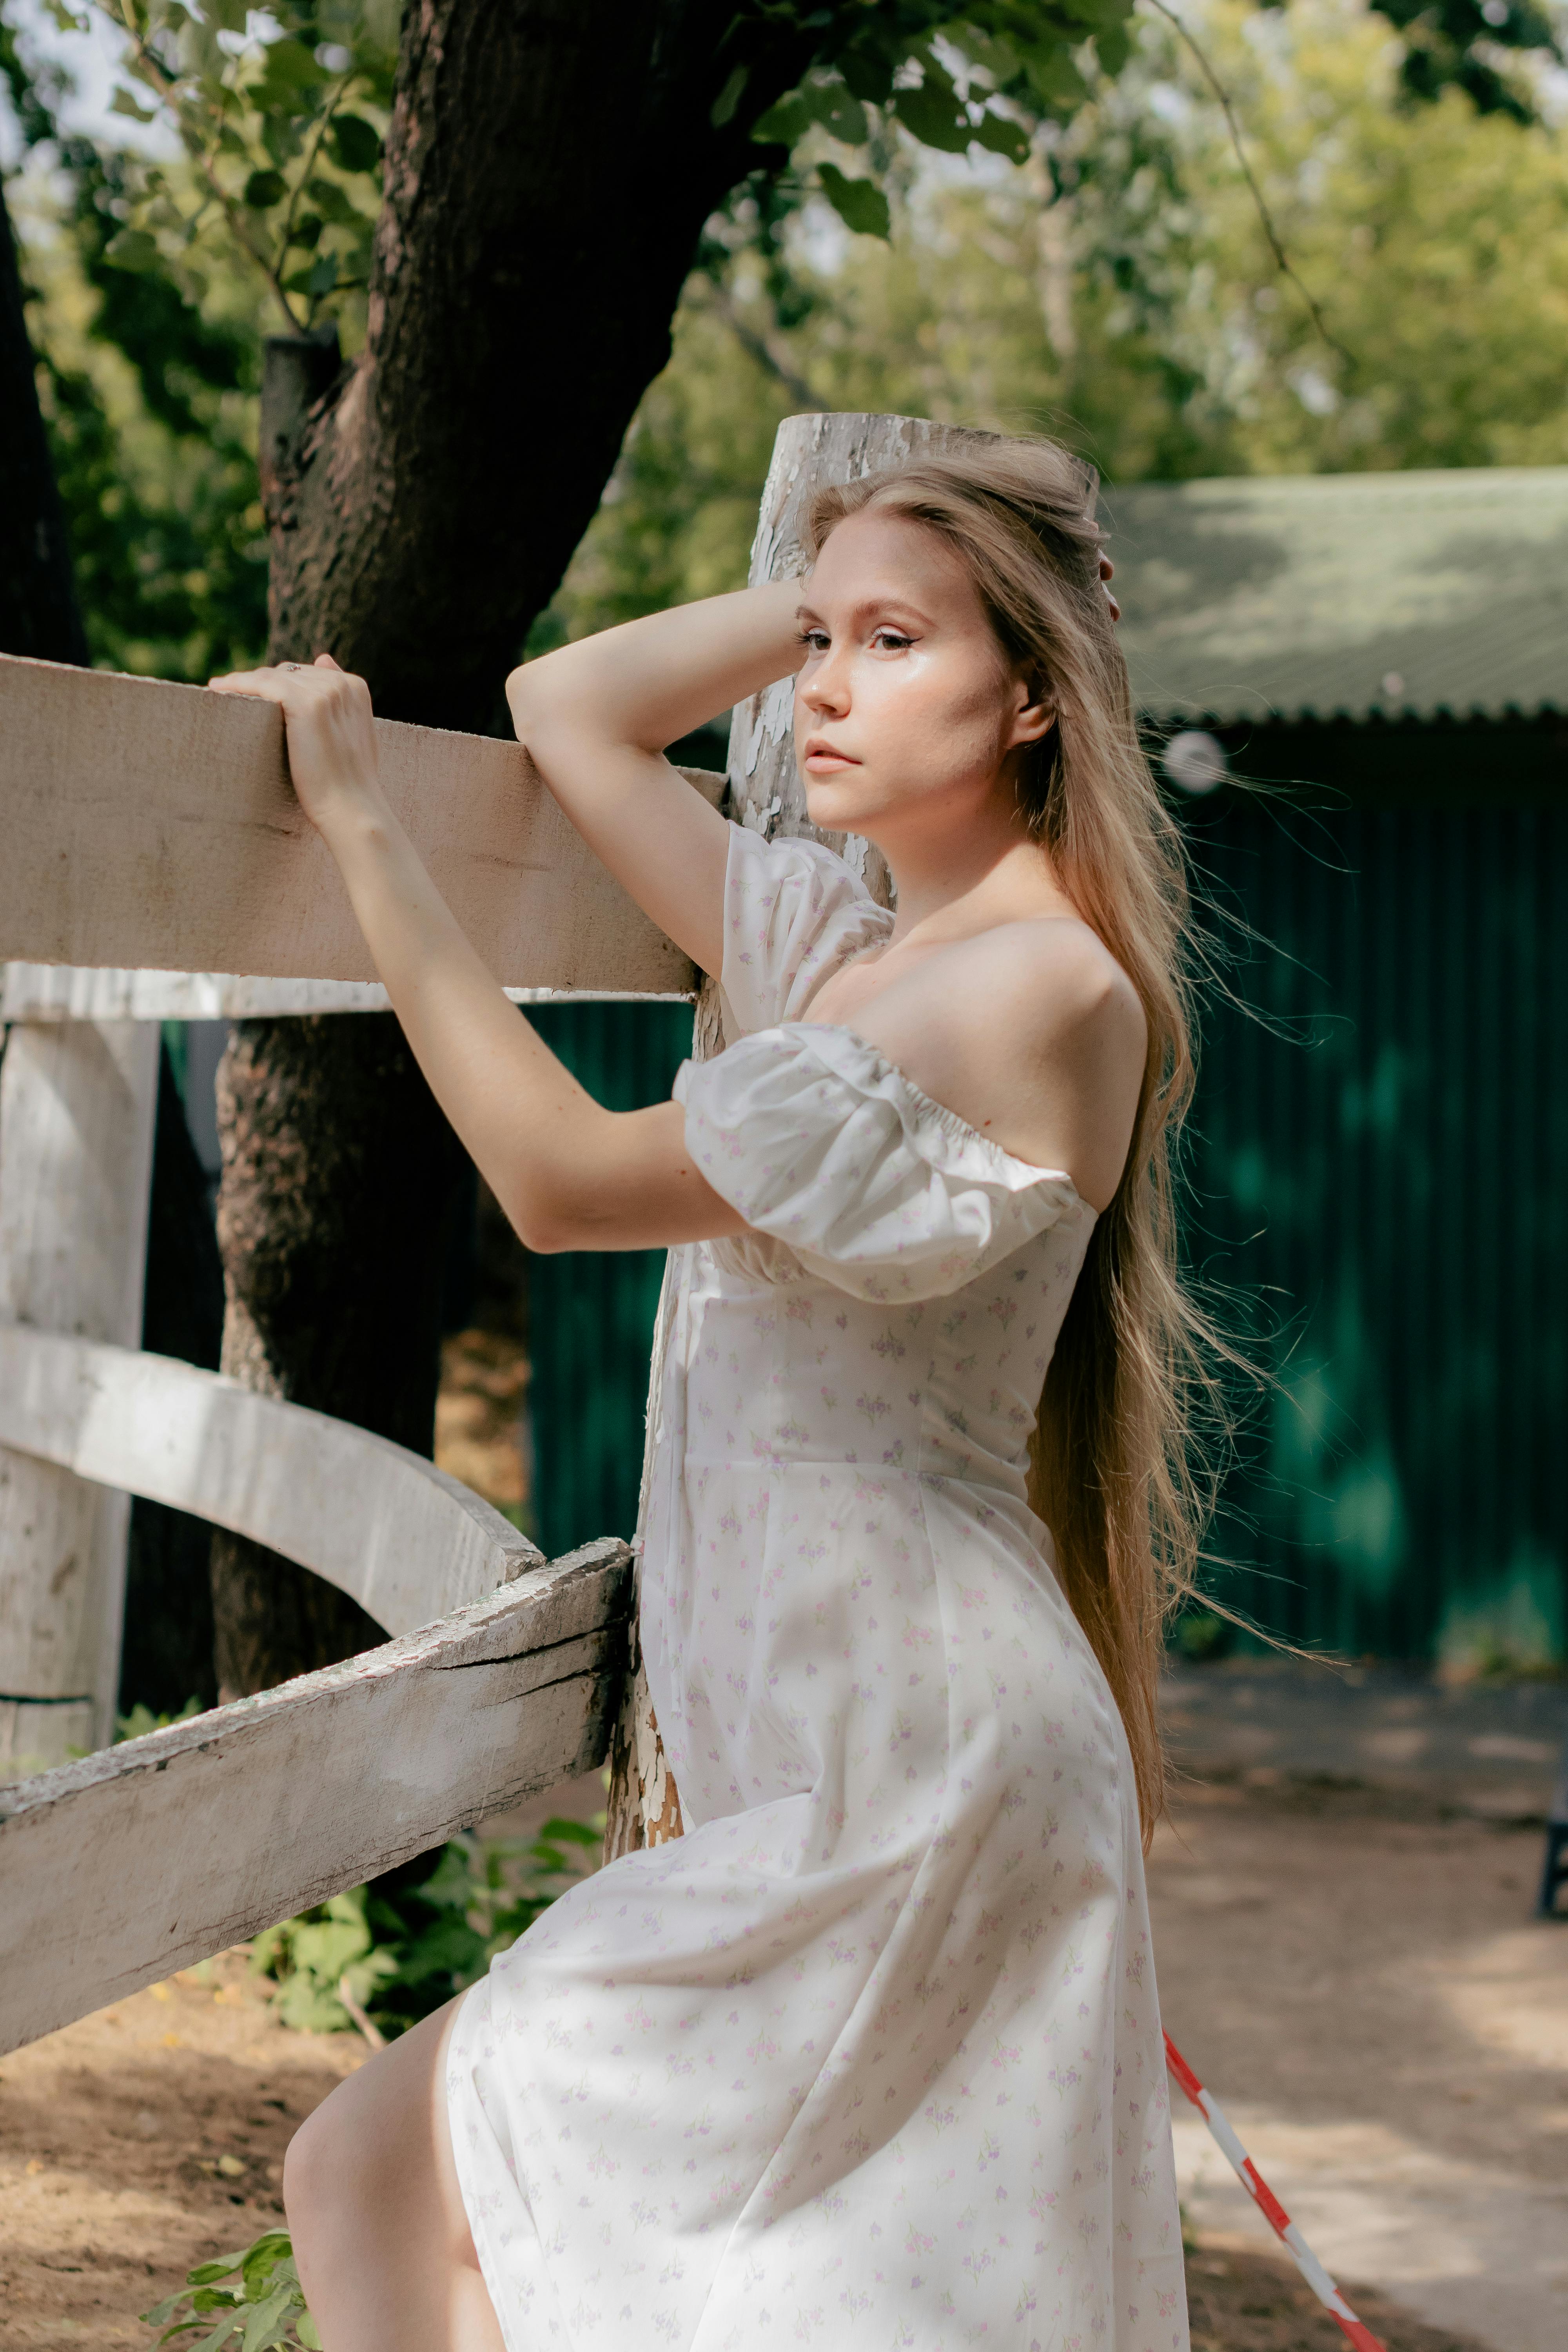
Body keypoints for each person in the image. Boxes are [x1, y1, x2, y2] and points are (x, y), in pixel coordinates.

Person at [211, 434, 1201, 2352]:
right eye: (813, 645)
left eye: (895, 647)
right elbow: (567, 710)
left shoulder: (1039, 993)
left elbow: (562, 1184)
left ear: (1030, 700)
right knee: (459, 2221)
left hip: (915, 1778)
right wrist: (862, 558)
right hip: (828, 1760)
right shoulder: (851, 953)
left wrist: (362, 832)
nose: (821, 686)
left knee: (397, 2183)